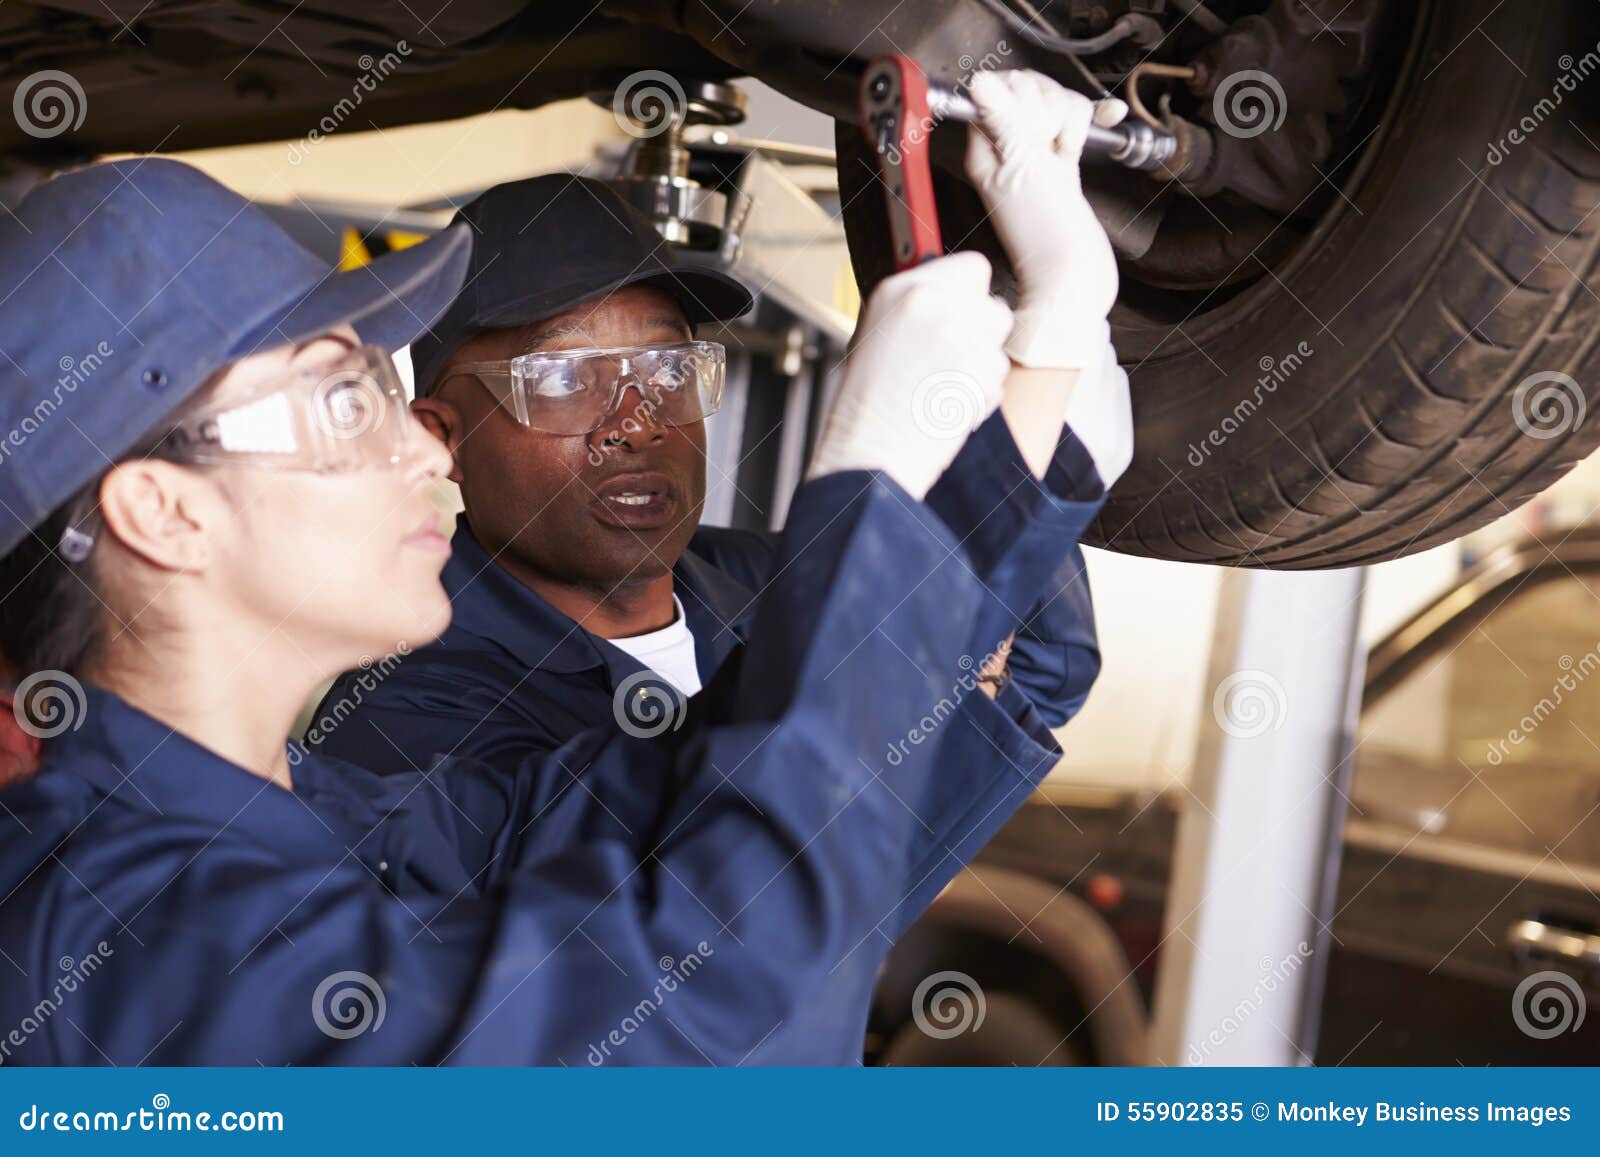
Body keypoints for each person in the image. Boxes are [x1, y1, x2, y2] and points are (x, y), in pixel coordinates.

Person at [0, 66, 1117, 1065]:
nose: (423, 441)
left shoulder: (341, 819)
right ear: (163, 511)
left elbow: (691, 788)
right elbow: (693, 995)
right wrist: (867, 477)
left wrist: (1046, 354)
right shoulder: (134, 941)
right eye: (342, 400)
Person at [306, 75, 1130, 822]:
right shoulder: (406, 718)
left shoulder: (756, 581)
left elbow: (1043, 667)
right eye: (564, 378)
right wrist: (1044, 354)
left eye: (669, 367)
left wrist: (1035, 349)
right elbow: (707, 882)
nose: (638, 419)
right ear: (441, 436)